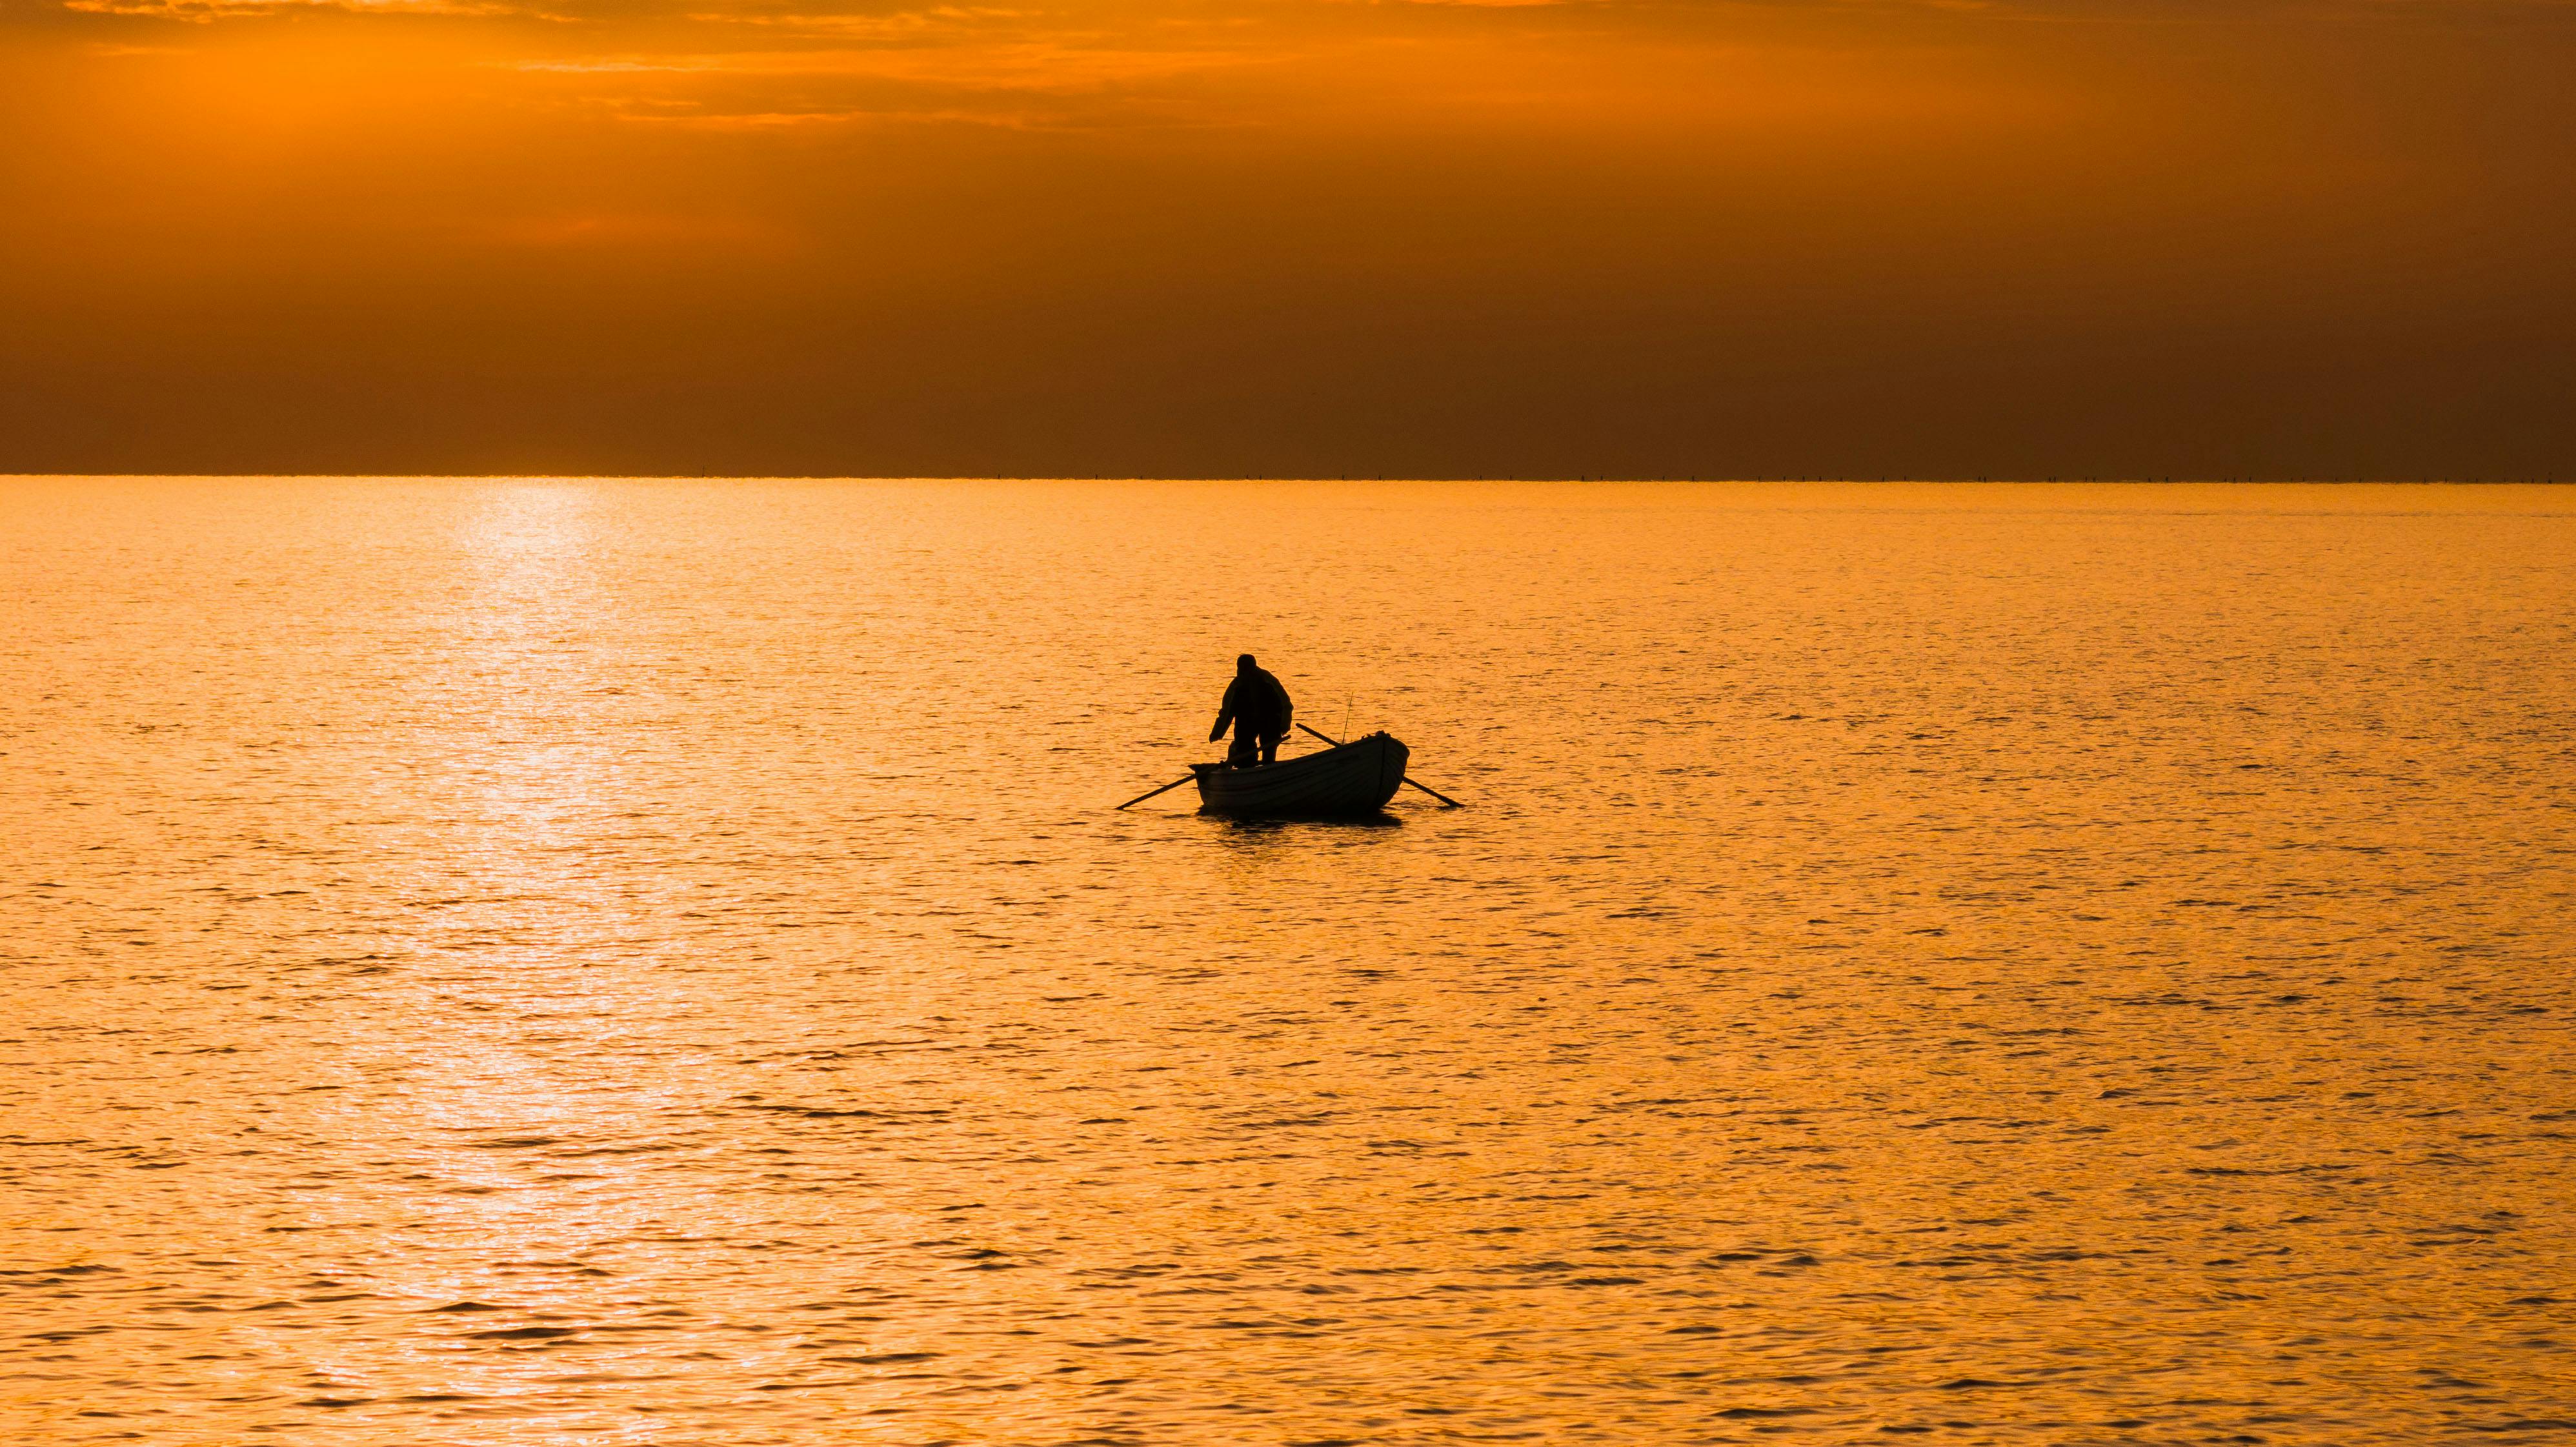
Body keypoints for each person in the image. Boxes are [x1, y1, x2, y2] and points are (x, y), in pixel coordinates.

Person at [1210, 654, 1293, 767]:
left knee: (1269, 753)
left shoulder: (1268, 680)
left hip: (1270, 722)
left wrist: (1284, 725)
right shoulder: (1236, 685)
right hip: (1246, 724)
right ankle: (1245, 764)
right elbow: (1226, 713)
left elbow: (1286, 705)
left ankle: (1267, 767)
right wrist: (1217, 733)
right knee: (1246, 757)